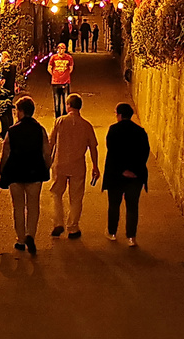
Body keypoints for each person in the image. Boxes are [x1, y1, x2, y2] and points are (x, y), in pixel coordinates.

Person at [0, 96, 50, 254]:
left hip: (16, 172)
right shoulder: (40, 130)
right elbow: (46, 152)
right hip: (35, 172)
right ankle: (30, 235)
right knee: (33, 206)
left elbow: (5, 153)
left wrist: (3, 172)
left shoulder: (12, 131)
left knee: (18, 207)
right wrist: (45, 168)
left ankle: (20, 240)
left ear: (20, 112)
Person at [47, 93, 99, 240]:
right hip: (78, 166)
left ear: (68, 105)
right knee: (76, 197)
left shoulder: (60, 121)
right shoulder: (86, 125)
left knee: (56, 193)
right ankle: (73, 227)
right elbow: (93, 147)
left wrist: (47, 160)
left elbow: (51, 142)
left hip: (60, 164)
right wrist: (95, 166)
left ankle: (58, 222)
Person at [103, 102, 150, 246]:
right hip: (135, 177)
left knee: (114, 205)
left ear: (120, 115)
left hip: (116, 175)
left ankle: (112, 232)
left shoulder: (114, 130)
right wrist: (135, 171)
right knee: (132, 206)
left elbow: (112, 152)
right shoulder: (140, 131)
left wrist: (123, 170)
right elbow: (145, 153)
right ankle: (131, 237)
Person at [47, 43, 74, 118]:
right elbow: (49, 67)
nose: (60, 50)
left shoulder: (69, 58)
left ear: (65, 49)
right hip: (55, 82)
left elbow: (71, 68)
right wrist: (54, 75)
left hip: (65, 82)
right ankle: (57, 116)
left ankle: (65, 116)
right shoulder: (53, 57)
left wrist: (66, 75)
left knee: (66, 101)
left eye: (62, 48)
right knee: (56, 101)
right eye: (59, 48)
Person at [0, 51, 16, 137]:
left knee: (2, 112)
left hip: (4, 92)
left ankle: (4, 132)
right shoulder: (13, 66)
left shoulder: (6, 67)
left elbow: (3, 81)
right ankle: (10, 130)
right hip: (11, 90)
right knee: (9, 112)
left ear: (4, 57)